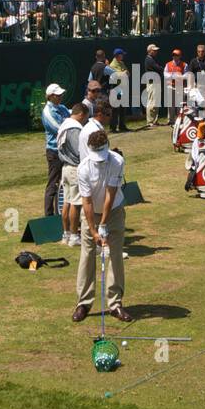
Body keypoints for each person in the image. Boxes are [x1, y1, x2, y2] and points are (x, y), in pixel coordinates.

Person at [72, 129, 130, 323]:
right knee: (87, 255)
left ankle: (115, 304)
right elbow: (86, 202)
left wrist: (103, 223)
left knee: (115, 255)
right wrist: (94, 230)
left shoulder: (117, 161)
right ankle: (84, 303)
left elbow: (110, 194)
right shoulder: (83, 168)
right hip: (90, 214)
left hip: (113, 211)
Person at [56, 102, 89, 247]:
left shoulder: (64, 125)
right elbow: (79, 150)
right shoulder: (74, 129)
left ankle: (66, 235)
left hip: (65, 168)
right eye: (85, 118)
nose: (85, 121)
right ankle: (74, 236)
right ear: (81, 114)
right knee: (75, 204)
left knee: (67, 202)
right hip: (74, 169)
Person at [41, 83, 70, 216]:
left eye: (61, 94)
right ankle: (49, 216)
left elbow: (72, 118)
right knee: (53, 184)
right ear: (51, 96)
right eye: (58, 95)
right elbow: (60, 129)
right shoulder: (47, 112)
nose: (61, 97)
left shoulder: (62, 108)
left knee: (66, 182)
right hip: (54, 152)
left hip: (65, 150)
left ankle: (63, 212)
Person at [143, 43, 164, 127]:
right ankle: (150, 122)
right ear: (149, 51)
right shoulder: (149, 59)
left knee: (156, 102)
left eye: (156, 50)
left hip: (156, 82)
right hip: (152, 83)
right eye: (154, 50)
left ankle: (155, 121)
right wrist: (163, 69)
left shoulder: (153, 59)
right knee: (152, 102)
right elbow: (158, 68)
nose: (156, 52)